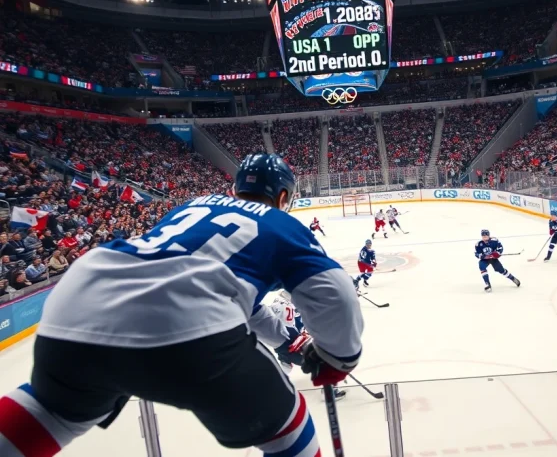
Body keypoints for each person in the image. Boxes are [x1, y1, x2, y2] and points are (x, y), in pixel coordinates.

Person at [0, 153, 363, 457]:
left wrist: (287, 342)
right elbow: (335, 293)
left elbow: (238, 301)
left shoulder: (193, 204)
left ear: (235, 190)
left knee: (51, 413)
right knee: (287, 424)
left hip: (81, 294)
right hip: (182, 320)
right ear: (284, 196)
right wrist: (337, 357)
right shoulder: (283, 225)